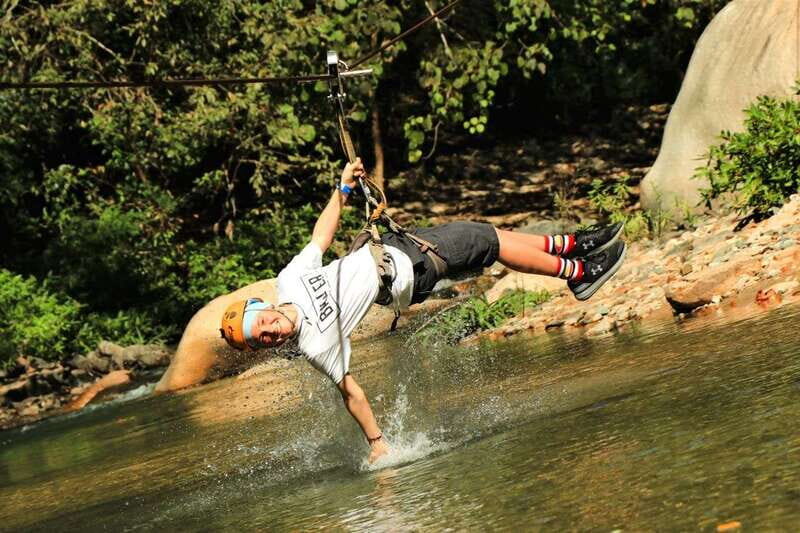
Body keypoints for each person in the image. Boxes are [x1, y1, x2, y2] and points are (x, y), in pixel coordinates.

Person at [219, 159, 626, 463]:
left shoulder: (290, 280)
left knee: (484, 233)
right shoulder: (315, 344)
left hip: (396, 248)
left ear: (266, 307)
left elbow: (320, 237)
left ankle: (573, 245)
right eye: (264, 339)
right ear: (266, 347)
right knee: (487, 242)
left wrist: (342, 189)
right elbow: (351, 394)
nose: (272, 331)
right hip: (409, 274)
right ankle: (576, 274)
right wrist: (377, 444)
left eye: (264, 323)